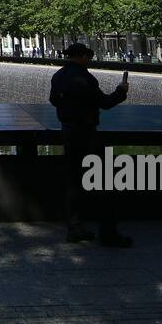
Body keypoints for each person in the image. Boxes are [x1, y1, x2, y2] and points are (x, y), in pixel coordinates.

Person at [49, 42, 133, 247]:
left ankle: (74, 228)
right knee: (105, 181)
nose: (89, 60)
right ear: (81, 57)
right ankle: (108, 232)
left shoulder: (58, 76)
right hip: (86, 134)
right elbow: (104, 103)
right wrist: (121, 91)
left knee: (74, 182)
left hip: (67, 132)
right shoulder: (84, 78)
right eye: (88, 56)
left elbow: (53, 100)